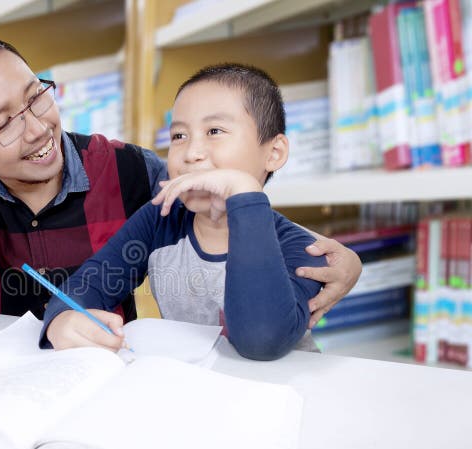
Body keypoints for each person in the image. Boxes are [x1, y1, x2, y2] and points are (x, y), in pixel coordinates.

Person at [0, 32, 360, 327]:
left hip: (103, 365)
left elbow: (224, 195)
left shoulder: (127, 167)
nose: (35, 129)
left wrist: (336, 259)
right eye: (3, 125)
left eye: (36, 97)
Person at [43, 63, 334, 360]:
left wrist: (244, 193)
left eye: (214, 131)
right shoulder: (159, 220)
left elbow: (260, 342)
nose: (191, 152)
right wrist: (63, 317)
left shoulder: (303, 249)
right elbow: (90, 283)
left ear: (274, 153)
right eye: (179, 136)